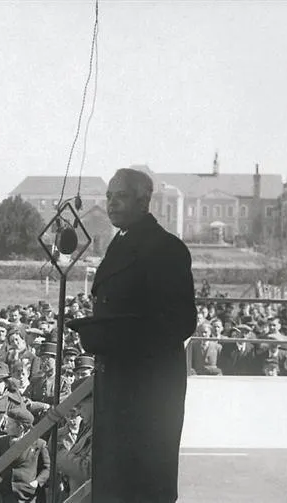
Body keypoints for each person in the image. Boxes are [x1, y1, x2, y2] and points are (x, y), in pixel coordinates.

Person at [71, 168, 197, 503]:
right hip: (120, 385)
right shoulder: (123, 241)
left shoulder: (165, 249)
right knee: (117, 482)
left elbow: (181, 322)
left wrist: (111, 335)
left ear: (144, 201)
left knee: (144, 482)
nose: (111, 203)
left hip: (148, 393)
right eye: (109, 196)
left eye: (120, 196)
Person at [0, 407, 50, 503]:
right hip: (5, 493)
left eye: (10, 423)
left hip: (27, 495)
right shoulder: (1, 442)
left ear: (20, 428)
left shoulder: (39, 444)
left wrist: (36, 482)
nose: (6, 426)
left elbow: (46, 468)